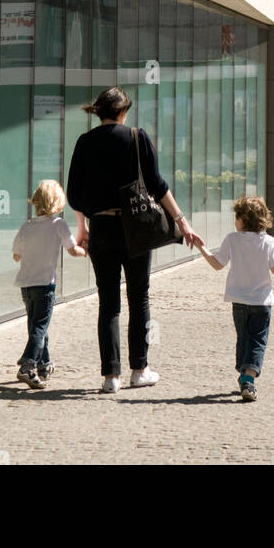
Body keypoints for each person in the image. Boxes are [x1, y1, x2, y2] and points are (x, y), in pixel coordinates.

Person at [67, 86, 196, 393]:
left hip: (101, 229)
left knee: (108, 304)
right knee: (139, 298)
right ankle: (140, 369)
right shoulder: (137, 138)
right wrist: (182, 221)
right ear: (124, 111)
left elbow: (74, 194)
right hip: (135, 228)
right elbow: (157, 185)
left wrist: (83, 227)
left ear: (100, 112)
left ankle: (111, 376)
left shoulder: (85, 142)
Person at [192, 194, 274, 402]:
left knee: (243, 337)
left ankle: (244, 374)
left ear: (243, 220)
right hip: (262, 302)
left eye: (237, 217)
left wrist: (201, 247)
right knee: (257, 341)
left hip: (238, 301)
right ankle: (248, 380)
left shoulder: (232, 240)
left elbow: (217, 264)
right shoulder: (269, 242)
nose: (235, 221)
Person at [12, 179, 86, 389]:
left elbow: (16, 255)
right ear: (58, 202)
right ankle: (28, 365)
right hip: (45, 285)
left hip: (26, 285)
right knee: (40, 327)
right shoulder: (58, 225)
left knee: (36, 326)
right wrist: (87, 252)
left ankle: (44, 364)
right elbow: (73, 250)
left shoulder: (27, 227)